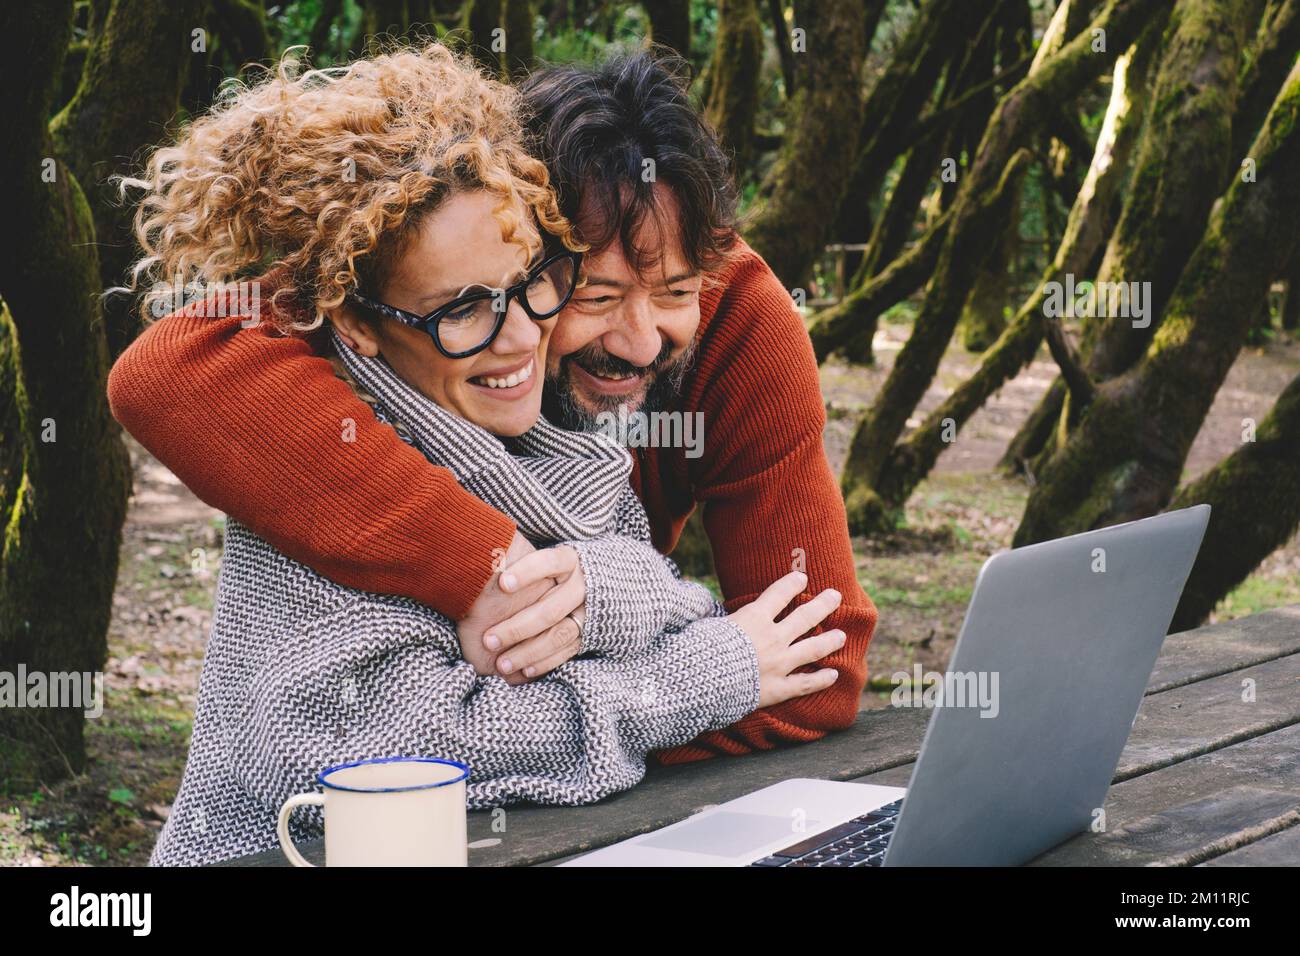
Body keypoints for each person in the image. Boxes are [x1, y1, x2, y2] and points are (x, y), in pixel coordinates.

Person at [130, 44, 844, 866]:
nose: (518, 340)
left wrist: (598, 593)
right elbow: (379, 753)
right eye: (463, 309)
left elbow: (716, 621)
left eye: (534, 283)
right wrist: (686, 684)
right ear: (356, 321)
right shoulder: (312, 458)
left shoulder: (558, 440)